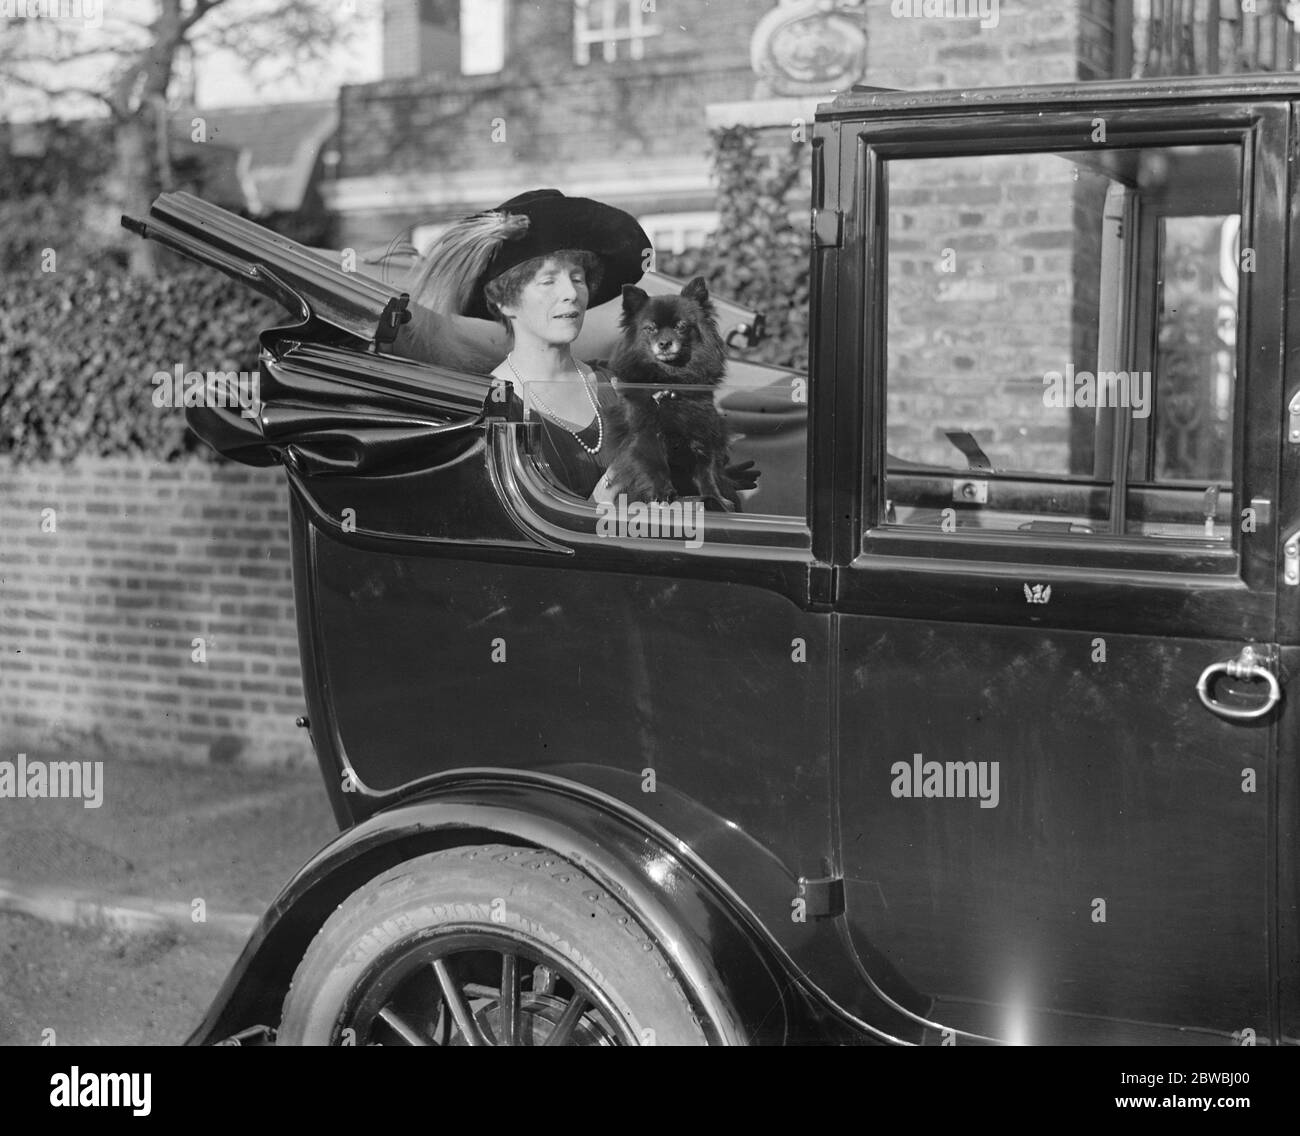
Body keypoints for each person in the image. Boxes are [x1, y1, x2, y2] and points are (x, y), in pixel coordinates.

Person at [391, 189, 647, 501]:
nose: (571, 292)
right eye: (548, 281)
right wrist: (596, 507)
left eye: (578, 278)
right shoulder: (490, 410)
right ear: (504, 302)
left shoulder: (615, 388)